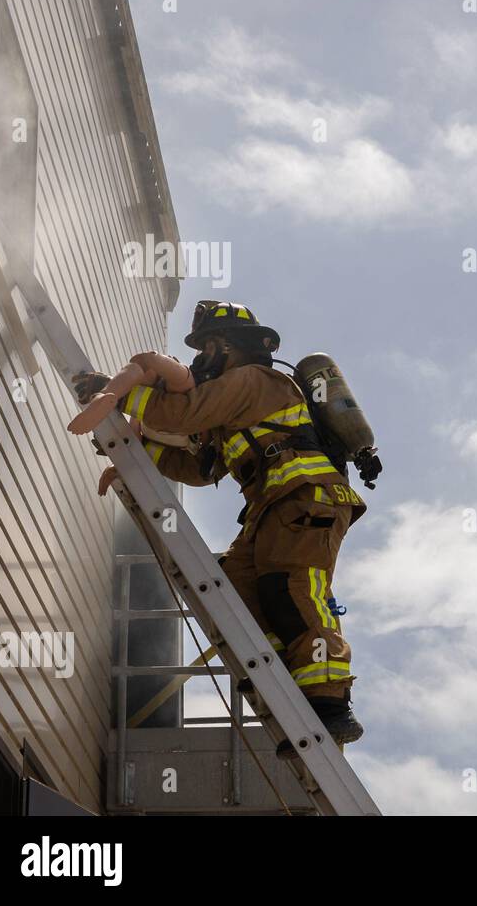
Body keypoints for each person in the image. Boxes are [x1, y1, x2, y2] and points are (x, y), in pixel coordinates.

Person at [72, 300, 366, 756]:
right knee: (240, 591)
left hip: (307, 500)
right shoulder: (235, 408)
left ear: (234, 347)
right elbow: (200, 468)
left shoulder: (255, 381)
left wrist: (113, 392)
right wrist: (134, 452)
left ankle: (330, 699)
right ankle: (286, 680)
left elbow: (184, 413)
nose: (203, 356)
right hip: (272, 509)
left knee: (291, 588)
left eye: (211, 345)